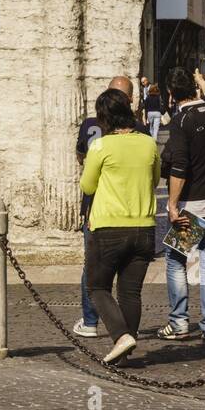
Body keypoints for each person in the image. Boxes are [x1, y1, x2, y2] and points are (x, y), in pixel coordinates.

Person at [80, 88, 161, 365]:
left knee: (98, 287)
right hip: (144, 227)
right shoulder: (149, 143)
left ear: (104, 117)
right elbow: (155, 180)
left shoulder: (101, 146)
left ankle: (120, 336)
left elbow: (87, 185)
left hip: (109, 227)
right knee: (130, 292)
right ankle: (126, 352)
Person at [159, 66, 205, 345]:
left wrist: (172, 205)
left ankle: (179, 322)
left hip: (192, 206)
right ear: (195, 88)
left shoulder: (181, 120)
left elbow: (179, 167)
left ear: (170, 94)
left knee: (176, 261)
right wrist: (200, 79)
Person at [74, 75, 140, 338]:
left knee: (93, 269)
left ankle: (91, 321)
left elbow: (82, 162)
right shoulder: (140, 130)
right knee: (127, 278)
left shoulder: (90, 126)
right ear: (128, 100)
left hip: (95, 209)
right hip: (131, 210)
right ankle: (125, 330)